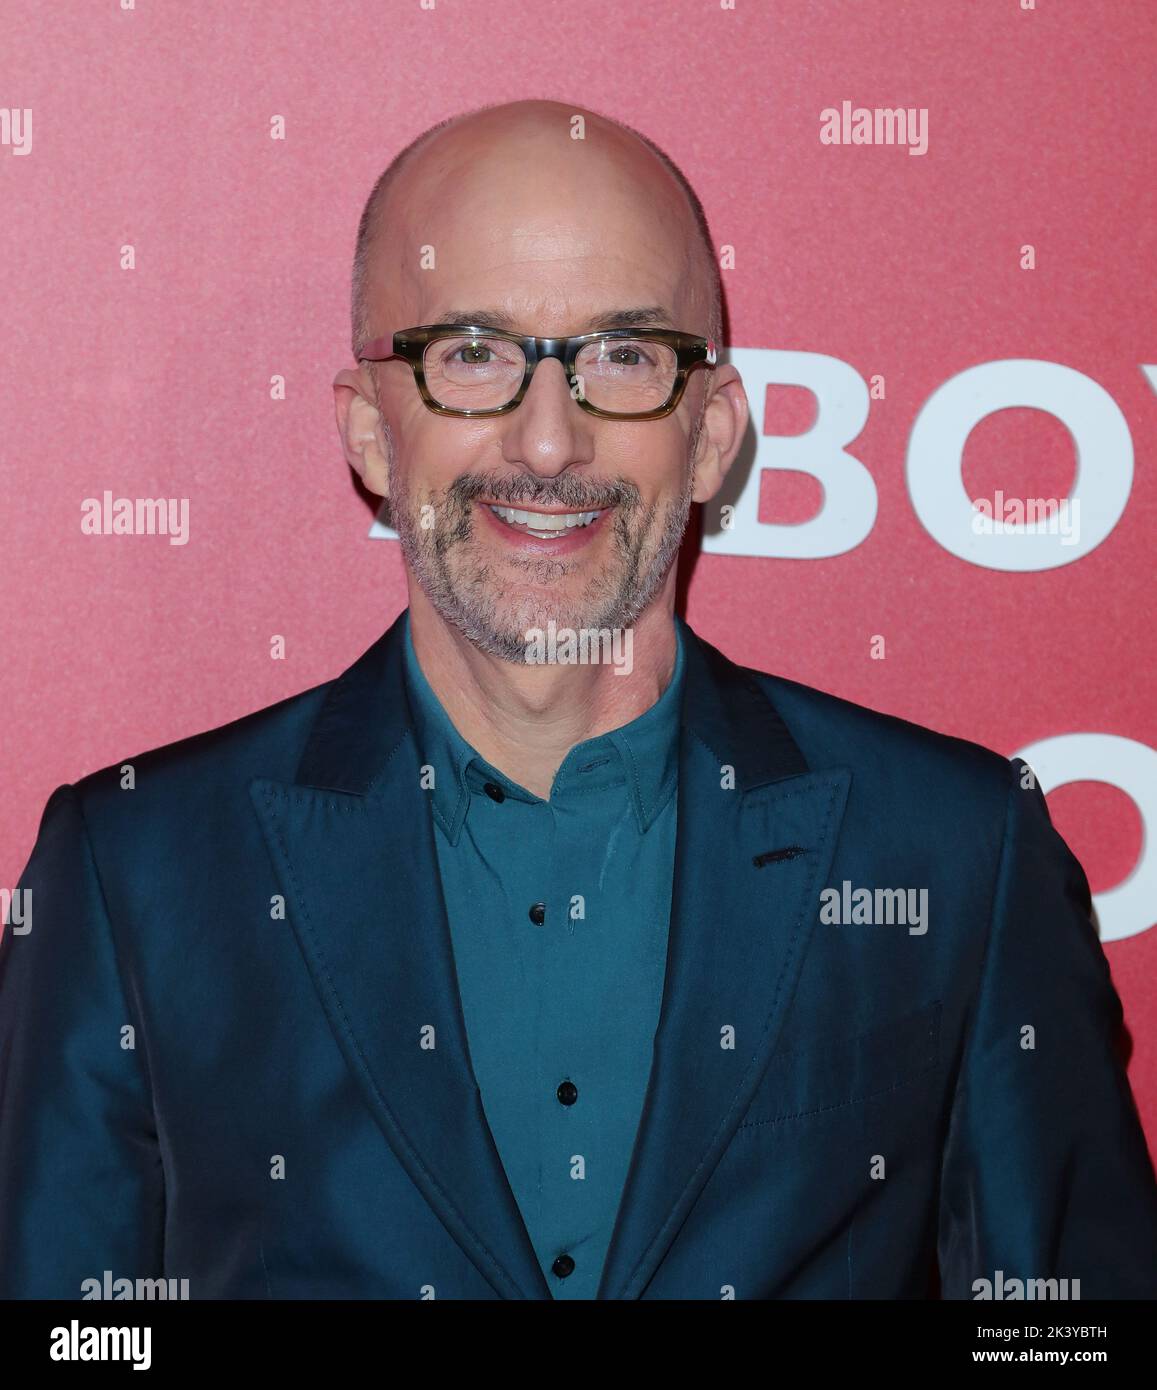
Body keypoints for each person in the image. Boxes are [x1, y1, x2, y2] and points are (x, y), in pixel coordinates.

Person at [2, 99, 1154, 1301]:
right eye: (471, 354)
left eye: (621, 356)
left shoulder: (954, 848)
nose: (548, 440)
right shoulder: (138, 870)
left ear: (709, 436)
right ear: (368, 433)